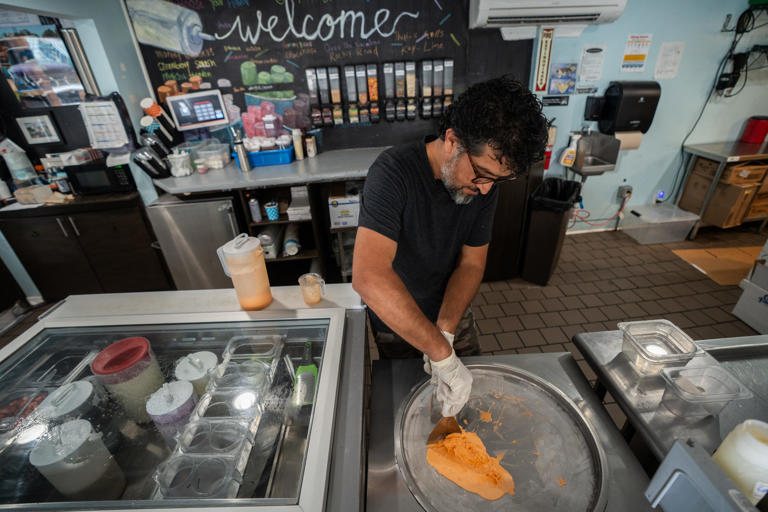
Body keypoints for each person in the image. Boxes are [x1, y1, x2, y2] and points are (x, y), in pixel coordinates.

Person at [352, 76, 548, 417]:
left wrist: (445, 330)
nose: (487, 190)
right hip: (397, 317)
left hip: (452, 312)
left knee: (468, 405)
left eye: (498, 181)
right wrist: (440, 353)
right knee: (406, 405)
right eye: (482, 175)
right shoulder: (393, 173)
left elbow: (471, 263)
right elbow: (369, 276)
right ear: (452, 141)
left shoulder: (484, 184)